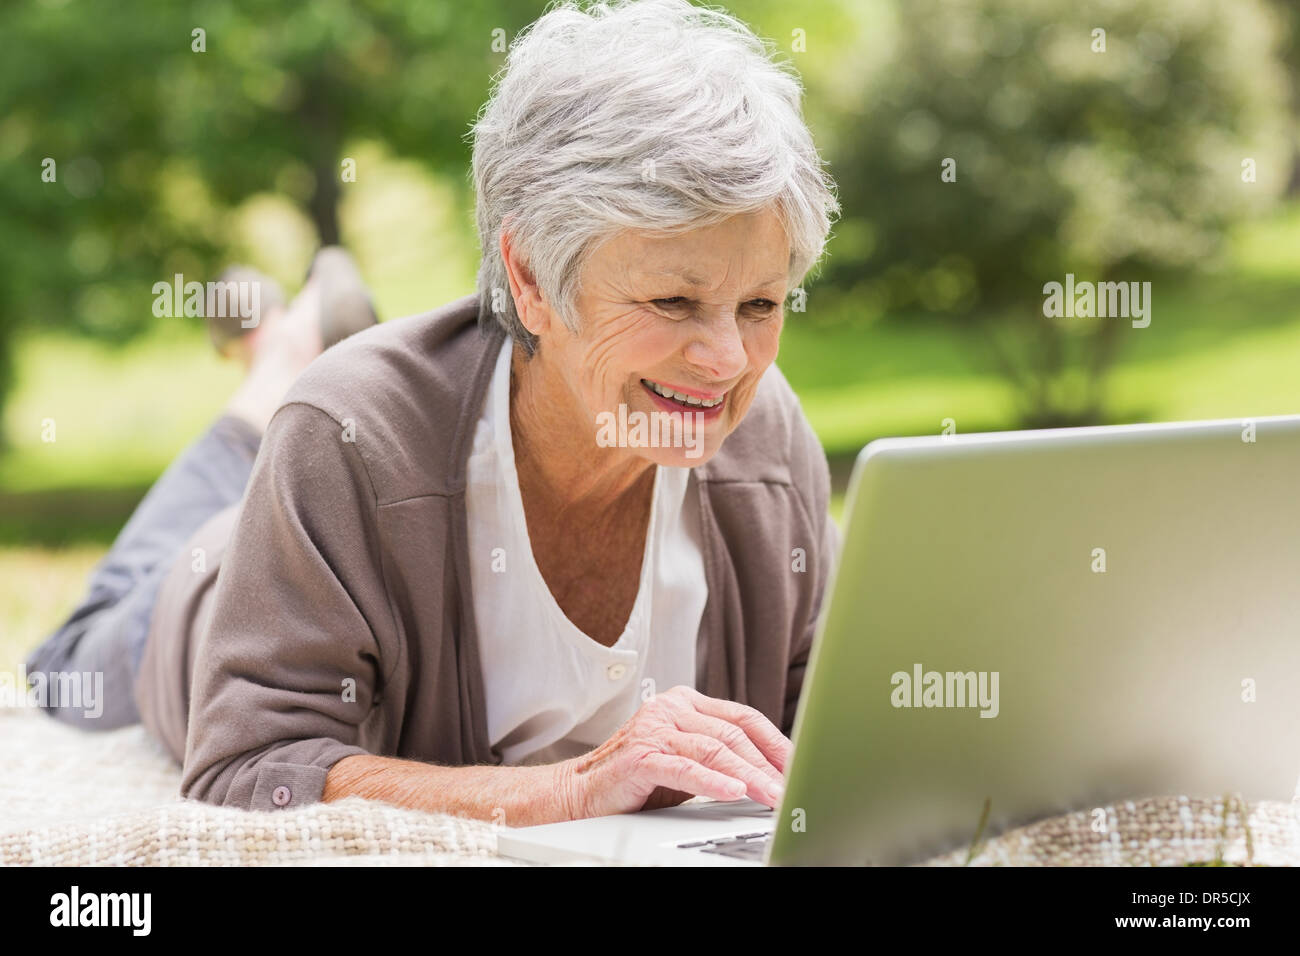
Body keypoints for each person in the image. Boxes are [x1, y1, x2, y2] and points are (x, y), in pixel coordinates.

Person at [27, 0, 842, 825]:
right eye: (673, 301)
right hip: (204, 591)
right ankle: (270, 378)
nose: (730, 363)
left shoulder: (768, 445)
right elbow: (251, 764)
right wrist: (571, 788)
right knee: (71, 662)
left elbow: (837, 724)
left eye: (760, 304)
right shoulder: (344, 437)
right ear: (528, 279)